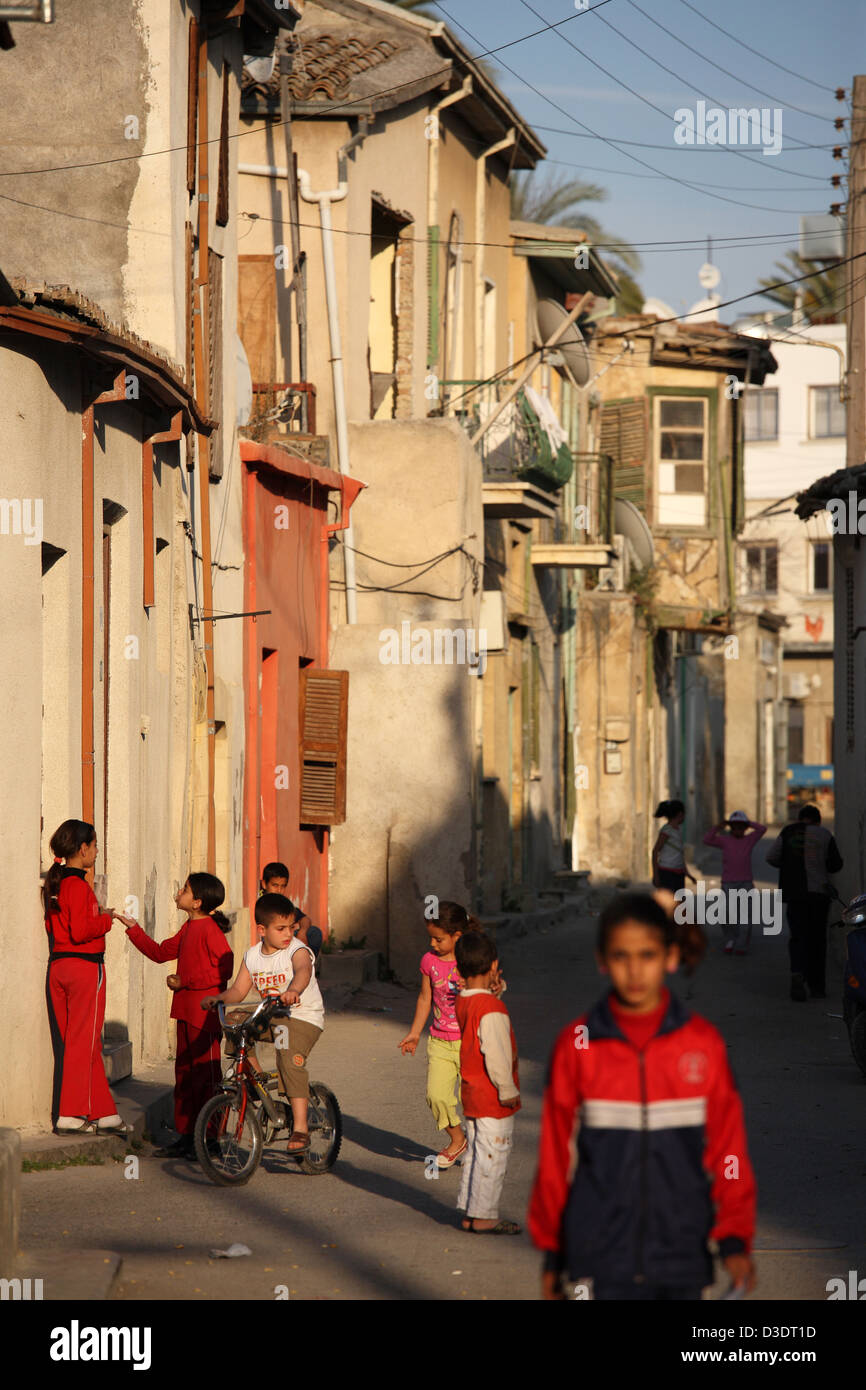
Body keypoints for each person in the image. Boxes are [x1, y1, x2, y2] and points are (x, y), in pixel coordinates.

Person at [528, 892, 756, 1301]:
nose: (635, 971)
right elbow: (555, 1155)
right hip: (602, 1256)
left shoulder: (702, 1044)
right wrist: (552, 1251)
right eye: (621, 956)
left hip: (683, 1250)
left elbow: (729, 1151)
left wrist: (735, 1237)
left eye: (647, 955)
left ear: (670, 956)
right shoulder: (577, 1046)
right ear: (602, 960)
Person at [121, 873, 233, 1159]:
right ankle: (187, 1136)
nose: (178, 892)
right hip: (185, 1012)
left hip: (204, 1014)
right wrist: (134, 929)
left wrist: (186, 982)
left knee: (206, 1078)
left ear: (197, 902)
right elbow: (160, 953)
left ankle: (211, 1139)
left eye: (184, 889)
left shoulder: (209, 929)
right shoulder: (189, 928)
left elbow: (224, 968)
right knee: (184, 1075)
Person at [204, 893, 324, 1153]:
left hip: (302, 1016)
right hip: (272, 1016)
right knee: (235, 1021)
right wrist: (218, 999)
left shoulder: (296, 950)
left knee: (288, 1056)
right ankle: (255, 1080)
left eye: (291, 928)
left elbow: (303, 970)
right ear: (261, 929)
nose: (287, 934)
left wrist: (293, 990)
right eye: (280, 929)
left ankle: (301, 1128)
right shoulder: (253, 956)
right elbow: (237, 991)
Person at [42, 819, 131, 1136]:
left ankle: (104, 1113)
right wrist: (106, 919)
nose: (96, 851)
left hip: (59, 968)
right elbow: (81, 931)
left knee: (84, 1043)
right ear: (82, 849)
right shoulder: (77, 886)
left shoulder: (55, 886)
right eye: (93, 845)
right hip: (83, 968)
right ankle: (71, 1114)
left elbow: (56, 928)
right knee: (83, 1043)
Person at [398, 902, 475, 1169]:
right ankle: (458, 1140)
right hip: (440, 1041)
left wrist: (474, 985)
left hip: (471, 1042)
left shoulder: (470, 961)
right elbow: (425, 998)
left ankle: (481, 1148)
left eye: (438, 938)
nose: (433, 943)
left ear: (457, 936)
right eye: (430, 937)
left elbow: (490, 991)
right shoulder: (429, 961)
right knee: (436, 1096)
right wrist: (414, 1033)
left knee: (474, 1100)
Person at [454, 930, 521, 1235]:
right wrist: (507, 1090)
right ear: (494, 965)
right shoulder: (493, 1010)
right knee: (494, 1155)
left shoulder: (465, 1001)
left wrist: (495, 986)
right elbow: (496, 1055)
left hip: (472, 1094)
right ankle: (484, 1216)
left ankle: (471, 1210)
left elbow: (479, 996)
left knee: (477, 1155)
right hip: (492, 1096)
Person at [765, 804, 843, 1001]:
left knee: (798, 936)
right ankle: (817, 987)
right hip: (819, 895)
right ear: (817, 820)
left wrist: (789, 864)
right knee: (817, 940)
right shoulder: (825, 834)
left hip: (795, 894)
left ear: (800, 818)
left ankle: (797, 972)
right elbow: (835, 865)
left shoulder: (788, 831)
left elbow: (771, 857)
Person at [702, 811, 767, 955]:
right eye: (735, 827)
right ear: (731, 828)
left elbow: (762, 829)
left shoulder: (750, 839)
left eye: (741, 827)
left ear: (745, 828)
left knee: (745, 915)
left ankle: (741, 944)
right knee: (726, 915)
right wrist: (719, 827)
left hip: (745, 883)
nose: (738, 830)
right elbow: (707, 840)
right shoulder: (724, 841)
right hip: (728, 883)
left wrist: (748, 822)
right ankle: (731, 939)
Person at [260, 861, 323, 960]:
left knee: (314, 932)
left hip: (287, 936)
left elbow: (305, 919)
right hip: (269, 940)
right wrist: (290, 927)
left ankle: (306, 965)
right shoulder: (262, 903)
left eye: (283, 886)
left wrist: (302, 931)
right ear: (264, 884)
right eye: (275, 885)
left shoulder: (283, 903)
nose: (279, 890)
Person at [652, 799, 696, 894]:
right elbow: (655, 851)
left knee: (678, 904)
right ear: (680, 814)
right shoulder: (667, 831)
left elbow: (679, 854)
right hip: (667, 873)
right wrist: (656, 875)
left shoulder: (677, 831)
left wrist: (687, 874)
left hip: (678, 873)